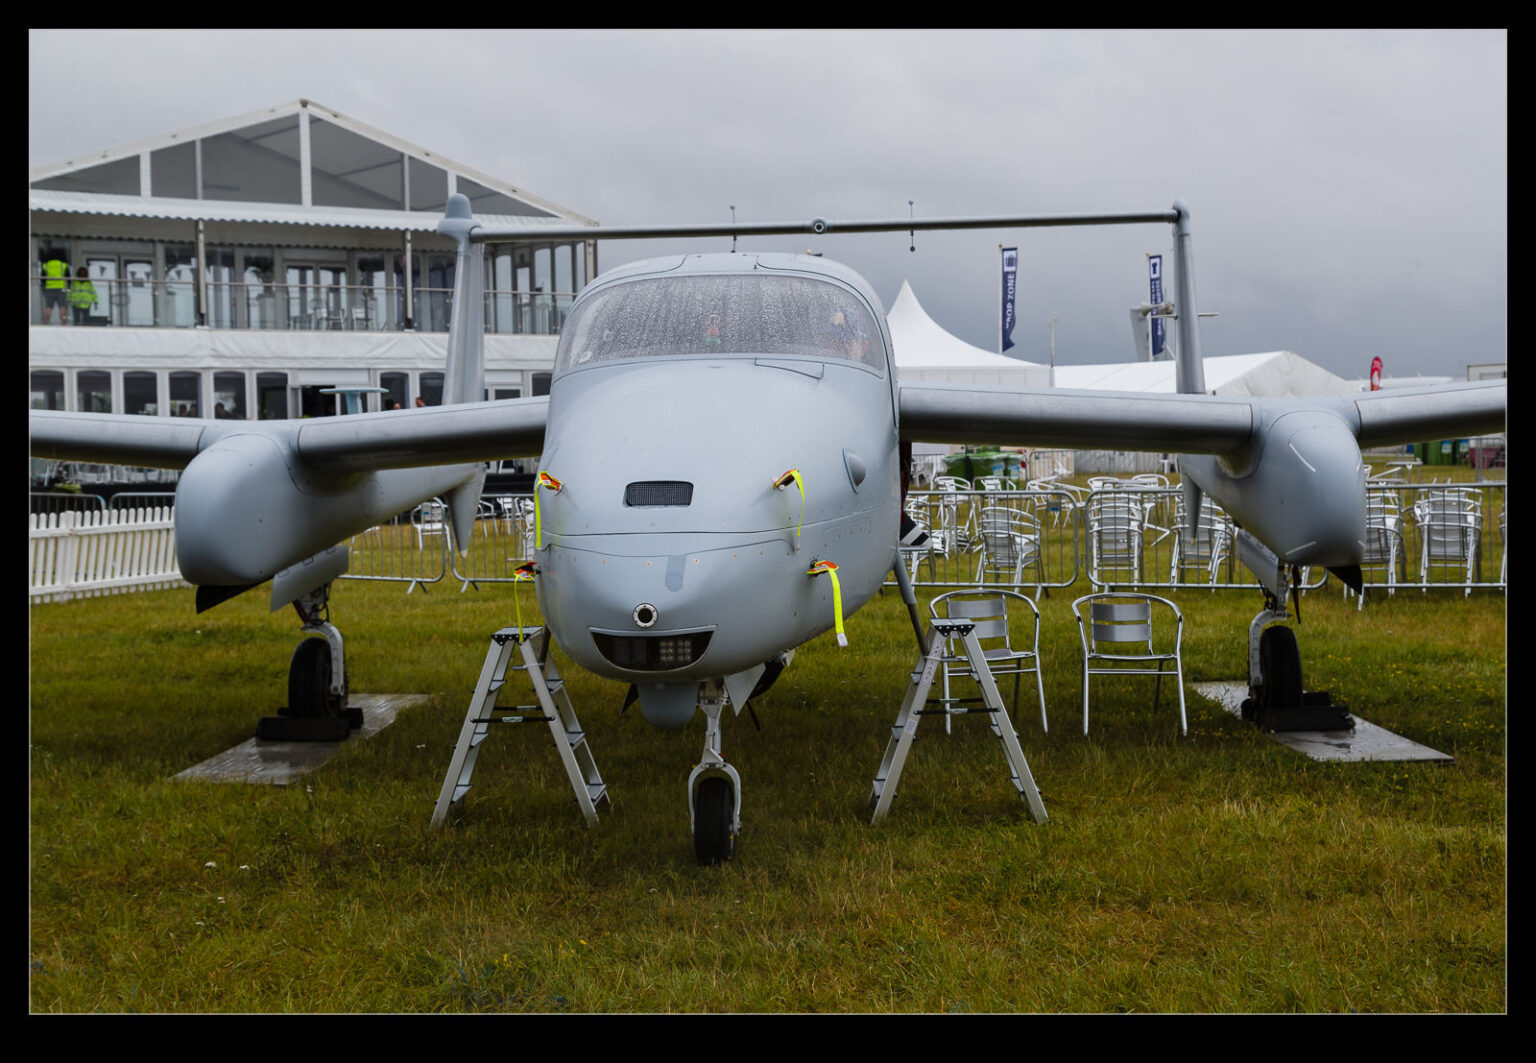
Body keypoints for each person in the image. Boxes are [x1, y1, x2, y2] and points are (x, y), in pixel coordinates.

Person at [41, 253, 69, 324]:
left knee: (48, 306)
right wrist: (68, 288)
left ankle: (46, 323)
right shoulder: (63, 265)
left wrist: (43, 289)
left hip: (49, 289)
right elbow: (68, 278)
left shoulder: (46, 265)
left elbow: (42, 279)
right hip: (60, 289)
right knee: (62, 306)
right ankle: (63, 323)